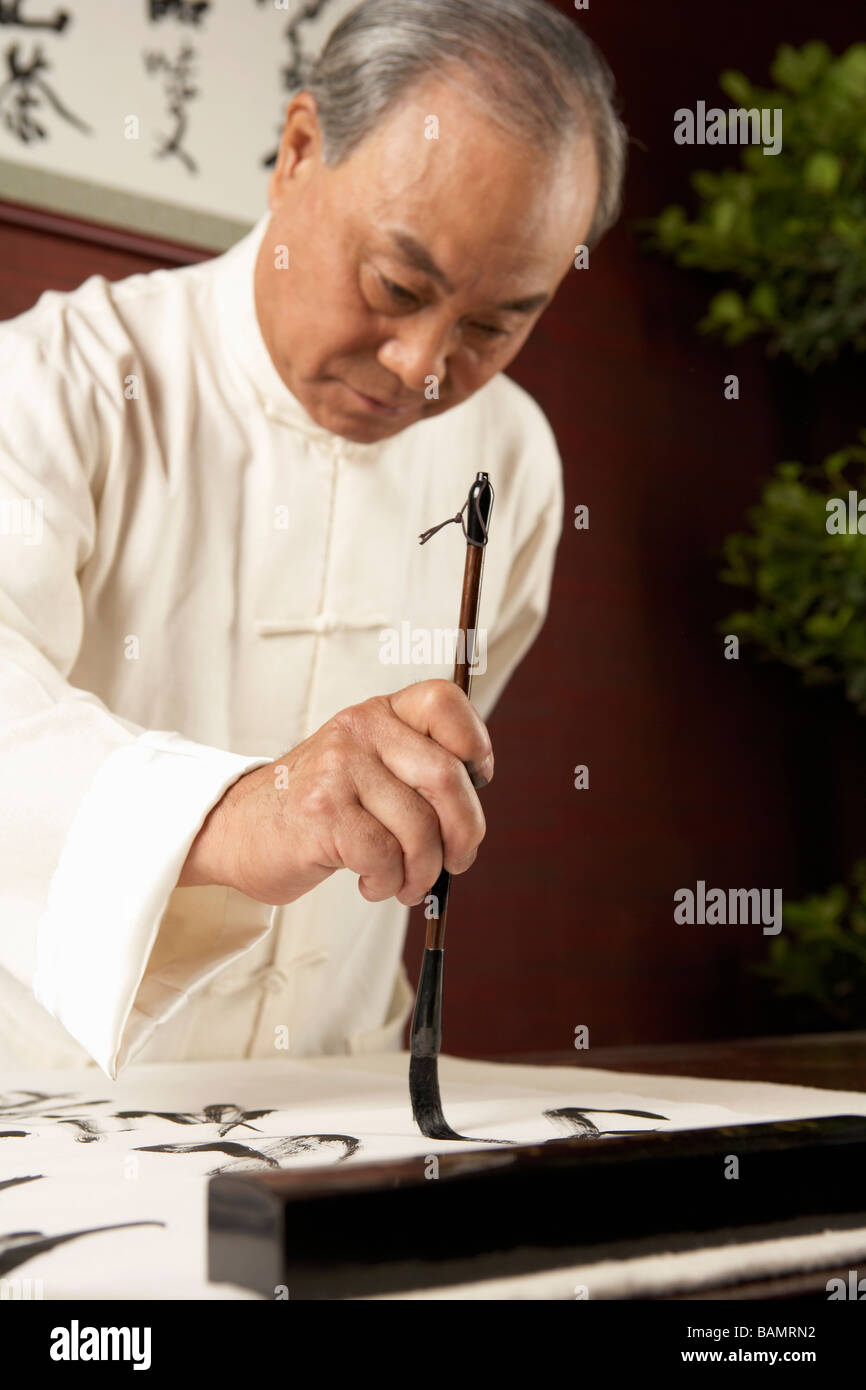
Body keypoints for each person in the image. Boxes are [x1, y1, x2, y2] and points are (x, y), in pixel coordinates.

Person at [0, 0, 626, 1077]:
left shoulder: (510, 459)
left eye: (493, 325)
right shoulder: (65, 377)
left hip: (346, 1093)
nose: (421, 367)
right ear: (298, 152)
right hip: (51, 1099)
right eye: (396, 286)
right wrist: (245, 812)